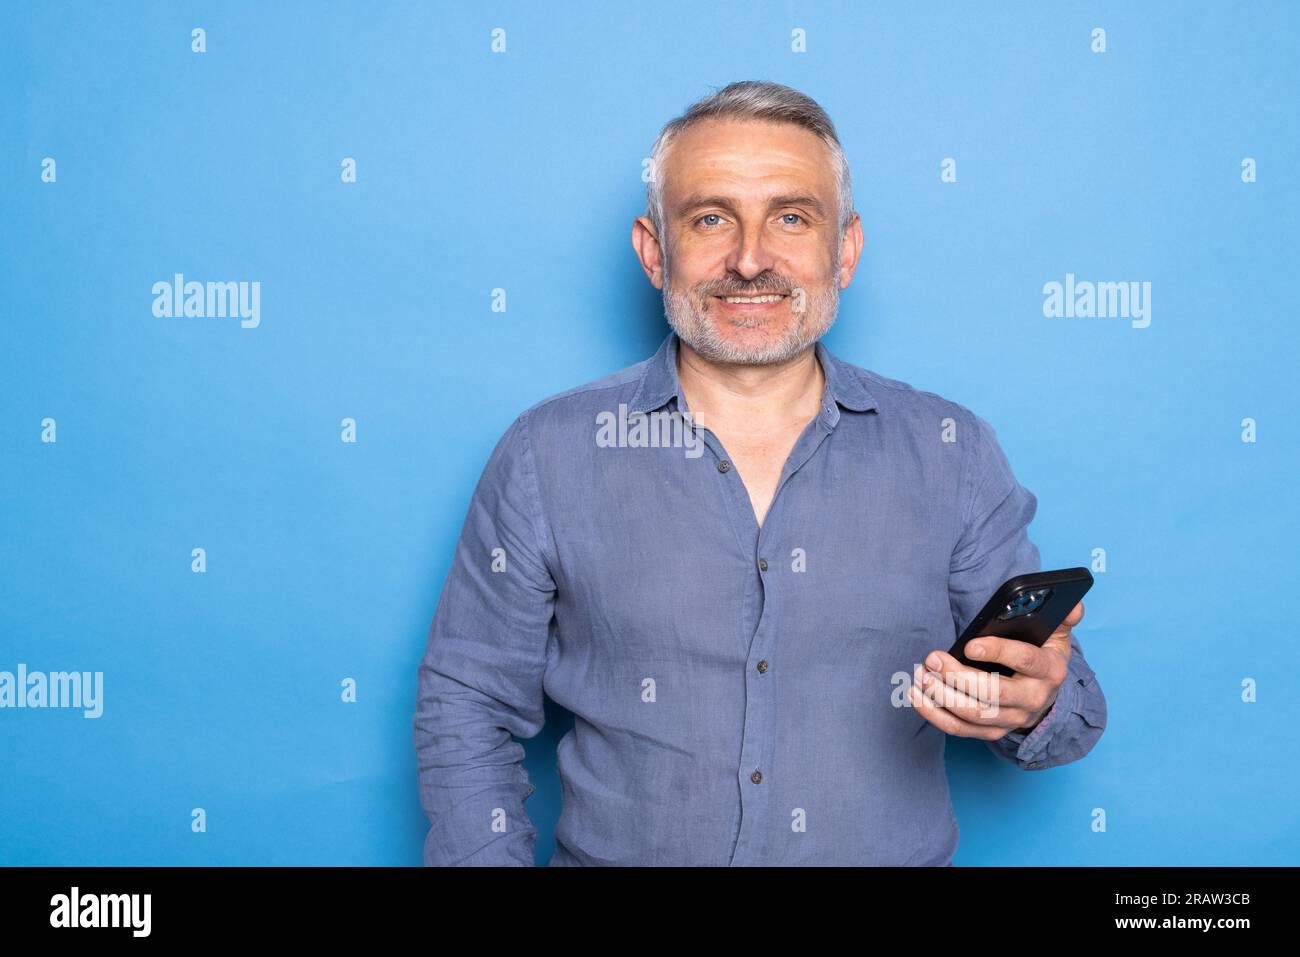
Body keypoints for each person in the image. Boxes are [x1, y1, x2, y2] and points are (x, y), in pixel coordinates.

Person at [413, 80, 1107, 866]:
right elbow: (465, 704)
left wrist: (1036, 698)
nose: (750, 260)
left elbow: (1070, 712)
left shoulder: (952, 450)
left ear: (844, 250)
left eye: (791, 217)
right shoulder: (546, 454)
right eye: (711, 218)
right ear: (653, 250)